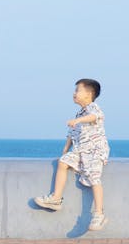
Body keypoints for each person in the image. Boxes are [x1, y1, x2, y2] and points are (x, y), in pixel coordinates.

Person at [33, 79, 110, 232]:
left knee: (94, 177)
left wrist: (79, 120)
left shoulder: (92, 108)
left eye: (77, 90)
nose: (74, 93)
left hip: (94, 150)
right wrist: (65, 149)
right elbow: (72, 134)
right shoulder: (79, 113)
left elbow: (95, 117)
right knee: (63, 162)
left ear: (88, 94)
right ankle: (56, 198)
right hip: (80, 151)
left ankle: (99, 214)